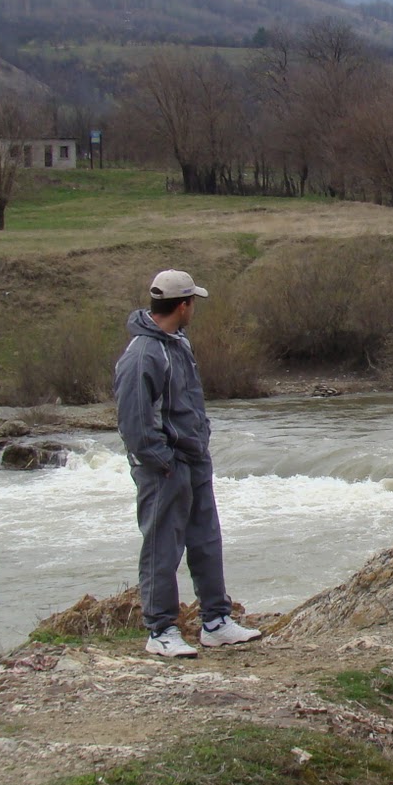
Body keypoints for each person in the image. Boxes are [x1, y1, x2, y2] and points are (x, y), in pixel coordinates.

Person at [113, 269, 261, 657]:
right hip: (165, 468)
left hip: (194, 460)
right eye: (193, 301)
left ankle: (216, 622)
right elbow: (134, 422)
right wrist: (164, 461)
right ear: (183, 305)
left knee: (206, 541)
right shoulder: (142, 354)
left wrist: (200, 442)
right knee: (162, 548)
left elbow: (189, 402)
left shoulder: (178, 343)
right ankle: (161, 631)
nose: (195, 308)